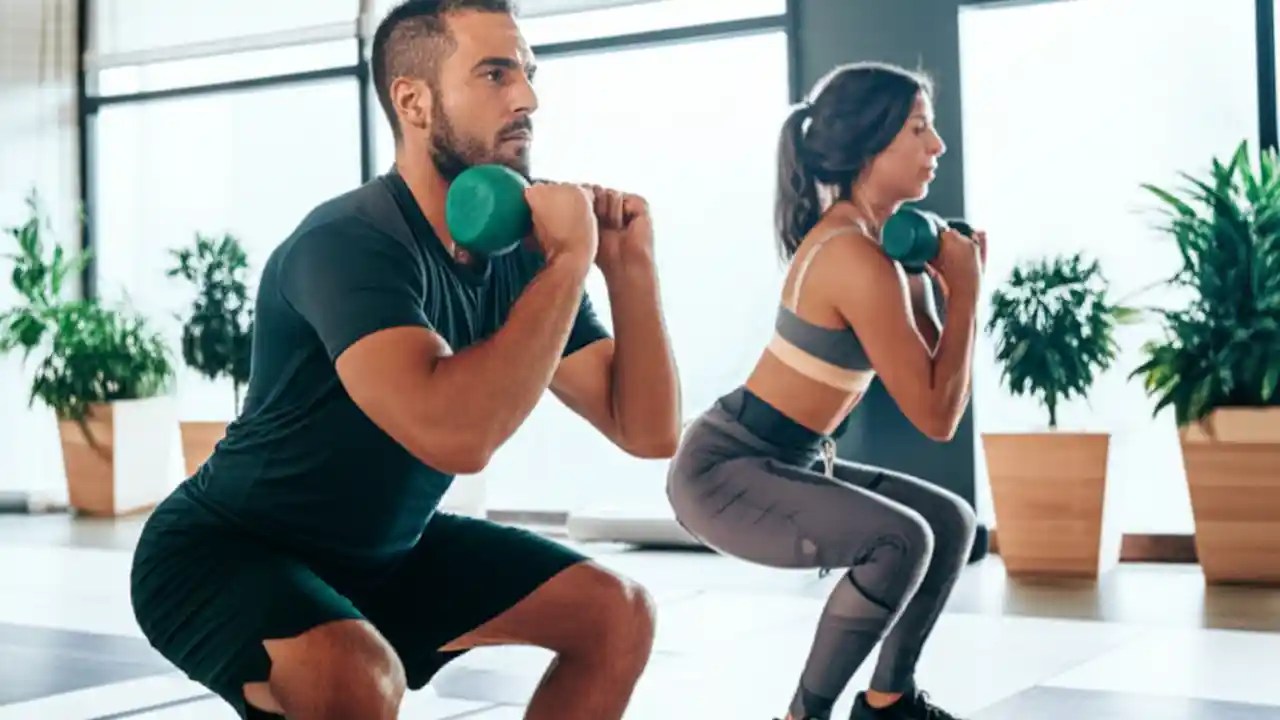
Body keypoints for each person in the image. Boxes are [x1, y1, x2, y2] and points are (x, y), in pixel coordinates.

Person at [129, 1, 682, 718]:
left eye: (529, 74)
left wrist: (629, 270)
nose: (528, 97)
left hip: (388, 553)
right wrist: (572, 258)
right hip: (227, 551)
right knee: (357, 676)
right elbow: (457, 435)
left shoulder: (522, 261)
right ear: (414, 101)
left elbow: (647, 431)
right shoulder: (349, 243)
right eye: (495, 73)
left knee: (618, 614)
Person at [666, 61, 985, 720]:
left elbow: (936, 380)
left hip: (789, 457)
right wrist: (969, 296)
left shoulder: (878, 252)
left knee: (951, 522)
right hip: (726, 470)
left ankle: (889, 701)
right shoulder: (853, 258)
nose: (937, 147)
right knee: (902, 541)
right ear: (872, 145)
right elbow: (936, 417)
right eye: (919, 130)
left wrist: (950, 293)